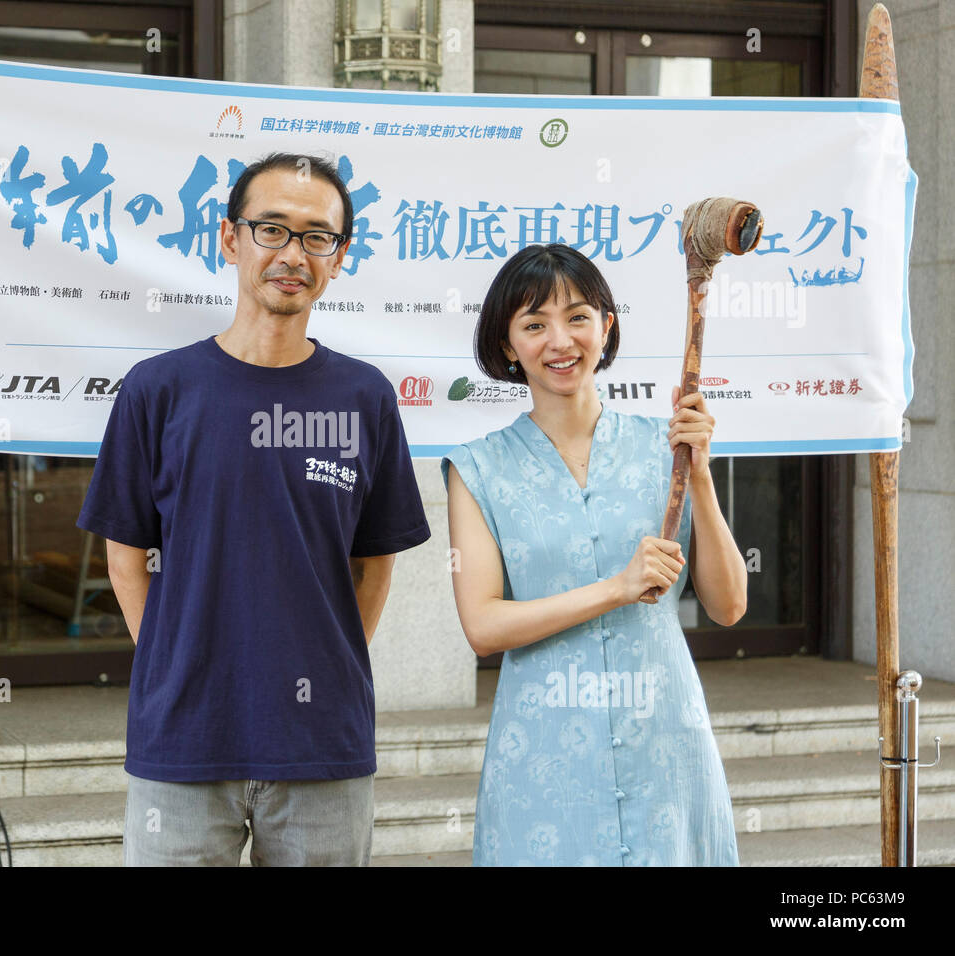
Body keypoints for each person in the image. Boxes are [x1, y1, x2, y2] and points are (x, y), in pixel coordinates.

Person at [77, 152, 431, 866]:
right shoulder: (159, 389)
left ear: (339, 257)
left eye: (316, 236)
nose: (292, 254)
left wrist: (324, 667)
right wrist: (176, 661)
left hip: (322, 746)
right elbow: (124, 553)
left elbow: (374, 568)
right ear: (230, 239)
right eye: (271, 229)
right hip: (183, 737)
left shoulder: (364, 398)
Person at [441, 243, 746, 866]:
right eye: (534, 324)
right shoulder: (477, 468)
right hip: (543, 755)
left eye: (578, 317)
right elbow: (483, 626)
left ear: (606, 327)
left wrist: (703, 476)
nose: (560, 340)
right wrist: (617, 587)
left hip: (665, 742)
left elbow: (730, 604)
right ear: (507, 345)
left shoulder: (666, 448)